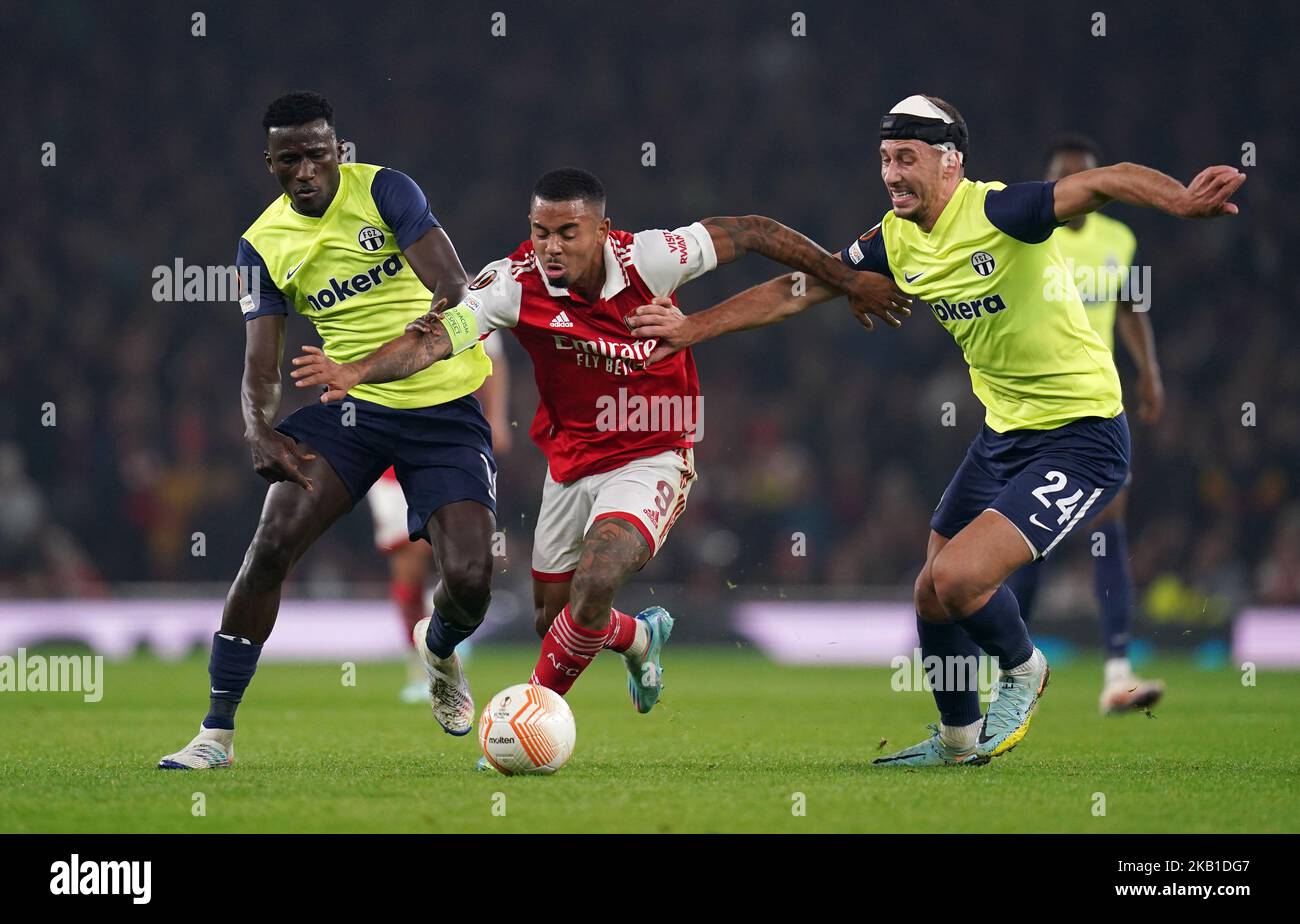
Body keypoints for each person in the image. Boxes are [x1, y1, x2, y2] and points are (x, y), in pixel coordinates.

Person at [627, 94, 1244, 767]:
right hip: (1003, 436)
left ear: (950, 162)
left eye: (907, 159)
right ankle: (956, 741)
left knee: (956, 580)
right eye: (886, 159)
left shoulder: (999, 211)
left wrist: (1181, 200)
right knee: (931, 590)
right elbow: (796, 290)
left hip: (1082, 435)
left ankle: (1023, 668)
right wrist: (693, 328)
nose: (891, 174)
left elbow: (1101, 180)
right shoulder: (892, 239)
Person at [290, 166, 905, 719]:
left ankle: (527, 719)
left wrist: (846, 278)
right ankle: (638, 638)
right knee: (553, 620)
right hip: (571, 463)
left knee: (599, 573)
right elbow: (434, 341)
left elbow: (754, 231)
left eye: (567, 232)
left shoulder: (654, 258)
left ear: (603, 230)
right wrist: (355, 372)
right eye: (540, 232)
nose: (551, 247)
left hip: (653, 450)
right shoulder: (510, 285)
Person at [158, 92, 497, 769]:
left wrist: (384, 358)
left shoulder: (387, 192)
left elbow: (455, 289)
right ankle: (215, 732)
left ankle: (437, 651)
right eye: (290, 159)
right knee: (271, 544)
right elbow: (262, 363)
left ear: (337, 149)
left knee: (471, 579)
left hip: (444, 410)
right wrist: (258, 429)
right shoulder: (262, 244)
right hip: (351, 413)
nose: (306, 168)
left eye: (317, 153)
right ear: (271, 164)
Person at [1004, 135, 1166, 715]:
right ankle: (1010, 668)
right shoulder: (1026, 235)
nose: (1077, 190)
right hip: (1031, 406)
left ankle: (1118, 671)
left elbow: (1128, 306)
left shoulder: (1118, 239)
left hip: (1096, 406)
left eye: (1085, 179)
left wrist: (1149, 371)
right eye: (1064, 179)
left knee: (1106, 523)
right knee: (1026, 543)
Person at [367, 333, 512, 704]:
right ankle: (420, 666)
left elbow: (492, 358)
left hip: (450, 442)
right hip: (385, 450)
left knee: (458, 558)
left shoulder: (457, 289)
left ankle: (444, 636)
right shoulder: (375, 293)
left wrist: (495, 419)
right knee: (409, 564)